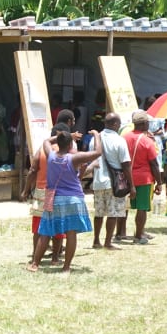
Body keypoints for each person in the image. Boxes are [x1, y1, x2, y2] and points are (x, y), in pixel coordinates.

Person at [27, 129, 101, 273]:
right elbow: (98, 152)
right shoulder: (74, 158)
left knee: (45, 231)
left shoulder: (51, 156)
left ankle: (35, 264)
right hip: (73, 198)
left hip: (52, 197)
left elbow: (46, 141)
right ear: (69, 146)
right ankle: (66, 267)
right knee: (70, 233)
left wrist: (63, 136)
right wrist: (97, 135)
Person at [20, 123, 70, 263]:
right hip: (58, 191)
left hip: (41, 191)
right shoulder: (65, 150)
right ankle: (55, 257)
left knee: (38, 226)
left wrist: (26, 190)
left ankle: (35, 256)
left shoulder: (42, 149)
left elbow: (33, 170)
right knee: (58, 225)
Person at [86, 112, 134, 250]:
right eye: (118, 124)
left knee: (99, 213)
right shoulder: (119, 140)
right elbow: (126, 165)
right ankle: (108, 242)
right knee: (113, 214)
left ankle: (96, 240)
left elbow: (92, 159)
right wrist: (132, 186)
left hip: (97, 181)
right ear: (114, 124)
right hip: (114, 183)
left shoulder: (95, 139)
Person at [122, 111, 164, 243]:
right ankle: (139, 235)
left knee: (124, 207)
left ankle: (120, 233)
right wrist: (159, 182)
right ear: (145, 123)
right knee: (142, 208)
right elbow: (154, 164)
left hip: (125, 177)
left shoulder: (124, 138)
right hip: (143, 179)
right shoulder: (147, 141)